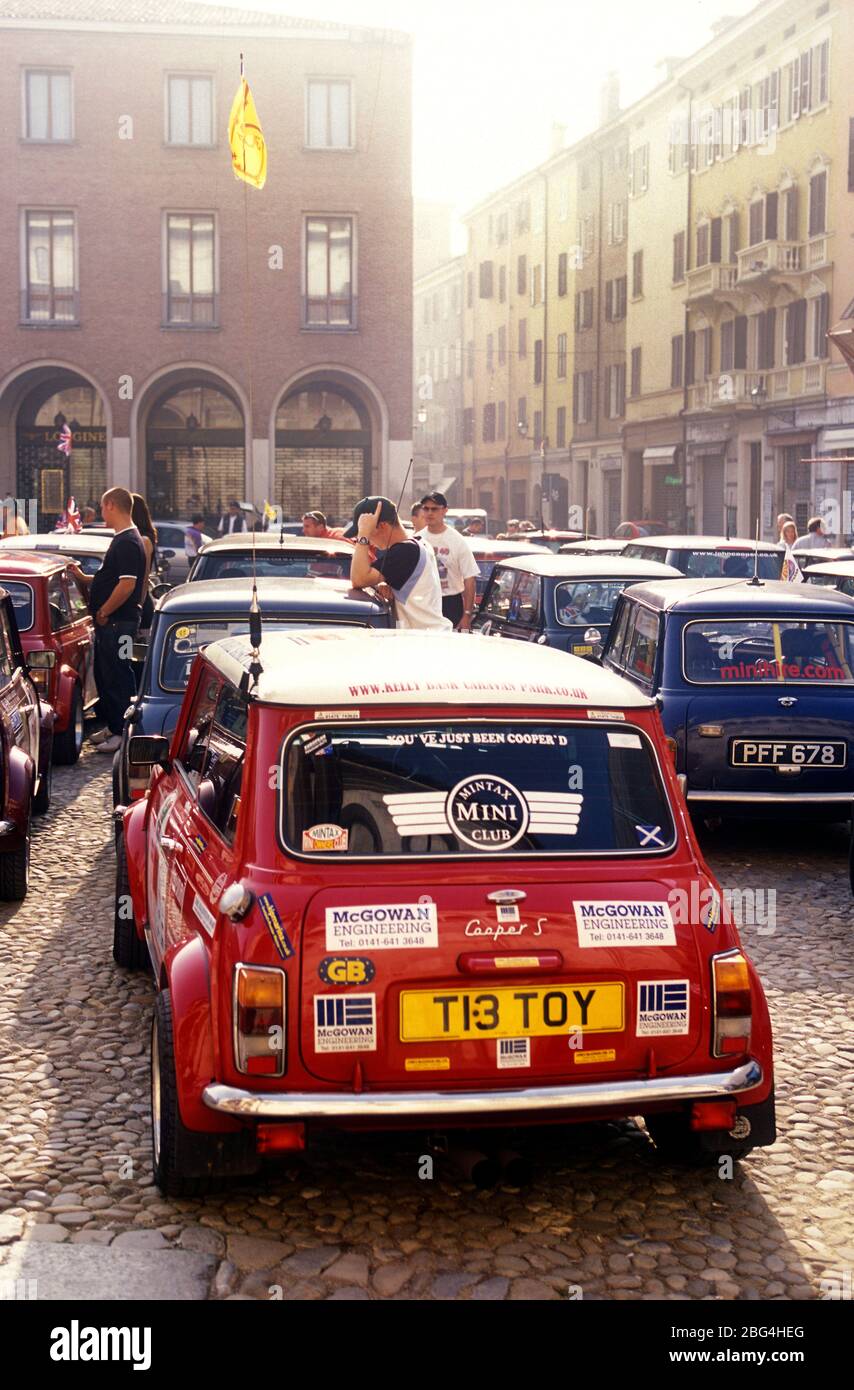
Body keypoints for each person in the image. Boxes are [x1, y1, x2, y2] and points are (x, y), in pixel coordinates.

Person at [68, 487, 147, 754]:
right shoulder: (124, 539)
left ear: (111, 505)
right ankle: (115, 726)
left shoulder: (127, 541)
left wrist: (103, 612)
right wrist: (83, 577)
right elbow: (110, 578)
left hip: (118, 623)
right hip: (117, 623)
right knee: (110, 673)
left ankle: (123, 730)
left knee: (119, 674)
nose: (102, 513)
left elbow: (126, 584)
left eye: (102, 507)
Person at [347, 496, 451, 630]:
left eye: (368, 530)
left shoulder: (405, 550)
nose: (368, 539)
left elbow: (359, 579)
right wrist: (383, 585)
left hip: (424, 641)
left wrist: (363, 536)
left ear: (382, 526)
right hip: (429, 636)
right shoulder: (418, 542)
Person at [415, 490, 479, 630]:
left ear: (445, 511)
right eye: (426, 508)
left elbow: (469, 579)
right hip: (425, 602)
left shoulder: (457, 541)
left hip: (450, 602)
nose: (430, 513)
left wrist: (467, 615)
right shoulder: (417, 539)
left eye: (434, 509)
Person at [131, 493, 157, 629]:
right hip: (135, 603)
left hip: (139, 604)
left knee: (130, 650)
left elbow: (144, 577)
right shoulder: (134, 536)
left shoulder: (144, 539)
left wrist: (138, 606)